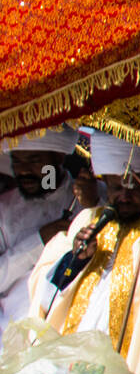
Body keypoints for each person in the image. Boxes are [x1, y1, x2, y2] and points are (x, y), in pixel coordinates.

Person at [28, 134, 140, 374]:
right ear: (105, 183)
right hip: (71, 372)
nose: (124, 197)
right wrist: (75, 262)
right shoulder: (87, 221)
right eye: (117, 187)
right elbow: (44, 296)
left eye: (133, 187)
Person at [0, 125, 78, 333]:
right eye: (17, 161)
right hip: (13, 335)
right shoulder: (4, 210)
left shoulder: (90, 201)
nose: (24, 170)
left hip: (72, 331)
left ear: (59, 157)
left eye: (34, 161)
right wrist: (39, 241)